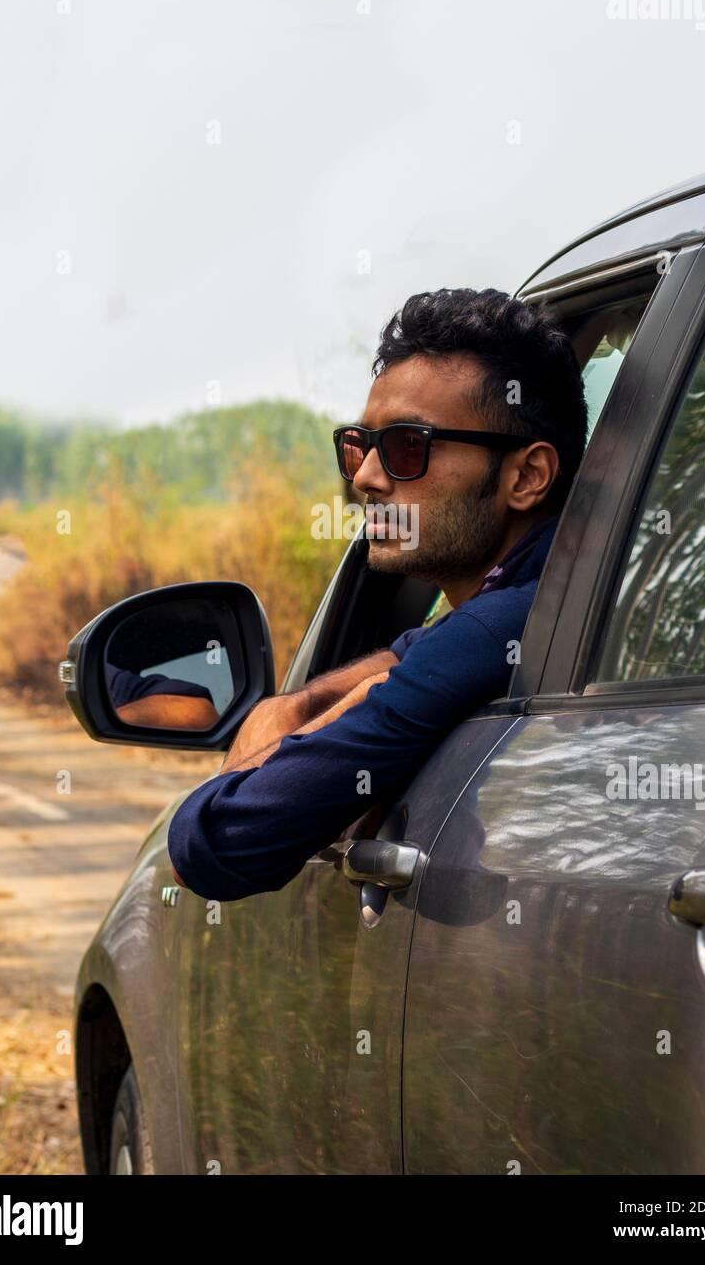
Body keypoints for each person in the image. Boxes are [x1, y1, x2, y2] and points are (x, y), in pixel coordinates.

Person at [168, 287, 587, 901]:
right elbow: (421, 644)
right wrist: (296, 704)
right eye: (361, 445)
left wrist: (280, 744)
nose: (365, 477)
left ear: (525, 476)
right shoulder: (544, 593)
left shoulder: (509, 620)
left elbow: (214, 846)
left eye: (408, 447)